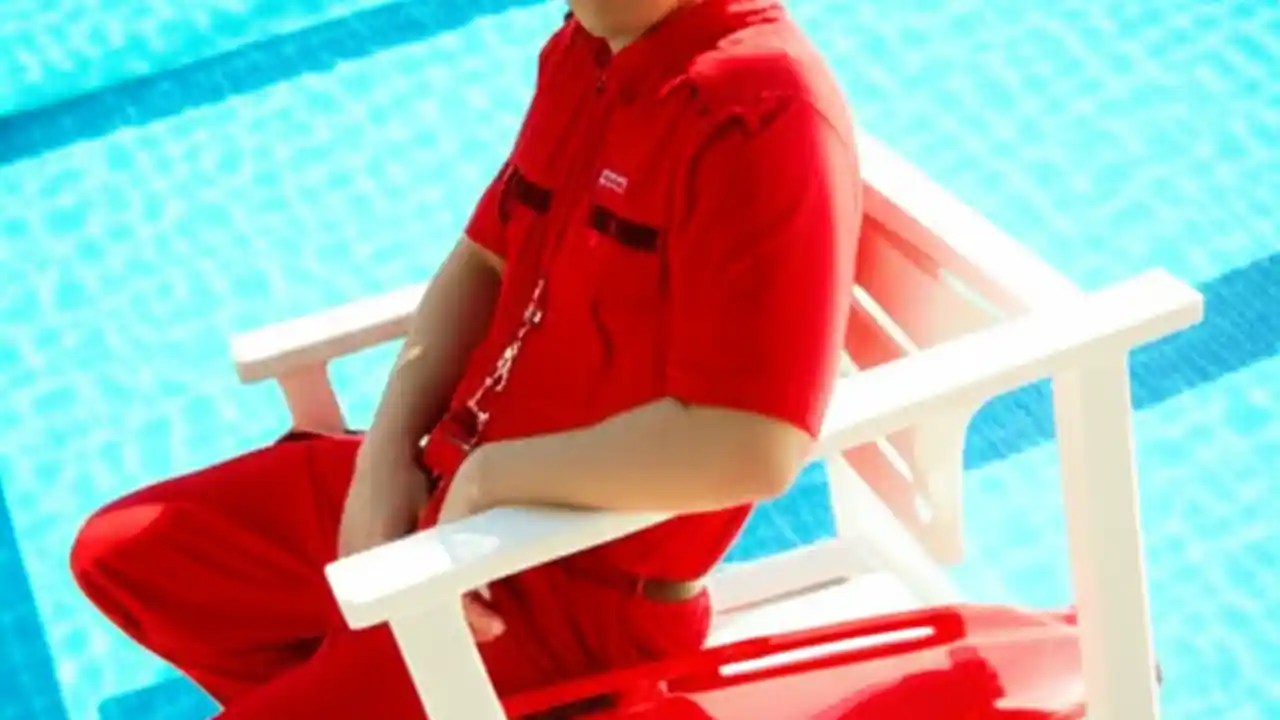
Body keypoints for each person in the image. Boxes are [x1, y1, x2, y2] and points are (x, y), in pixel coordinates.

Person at [69, 0, 862, 716]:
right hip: (444, 488)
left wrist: (490, 483)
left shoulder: (759, 116)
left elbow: (751, 446)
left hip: (567, 585)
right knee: (127, 557)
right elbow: (487, 257)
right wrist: (384, 463)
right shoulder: (588, 44)